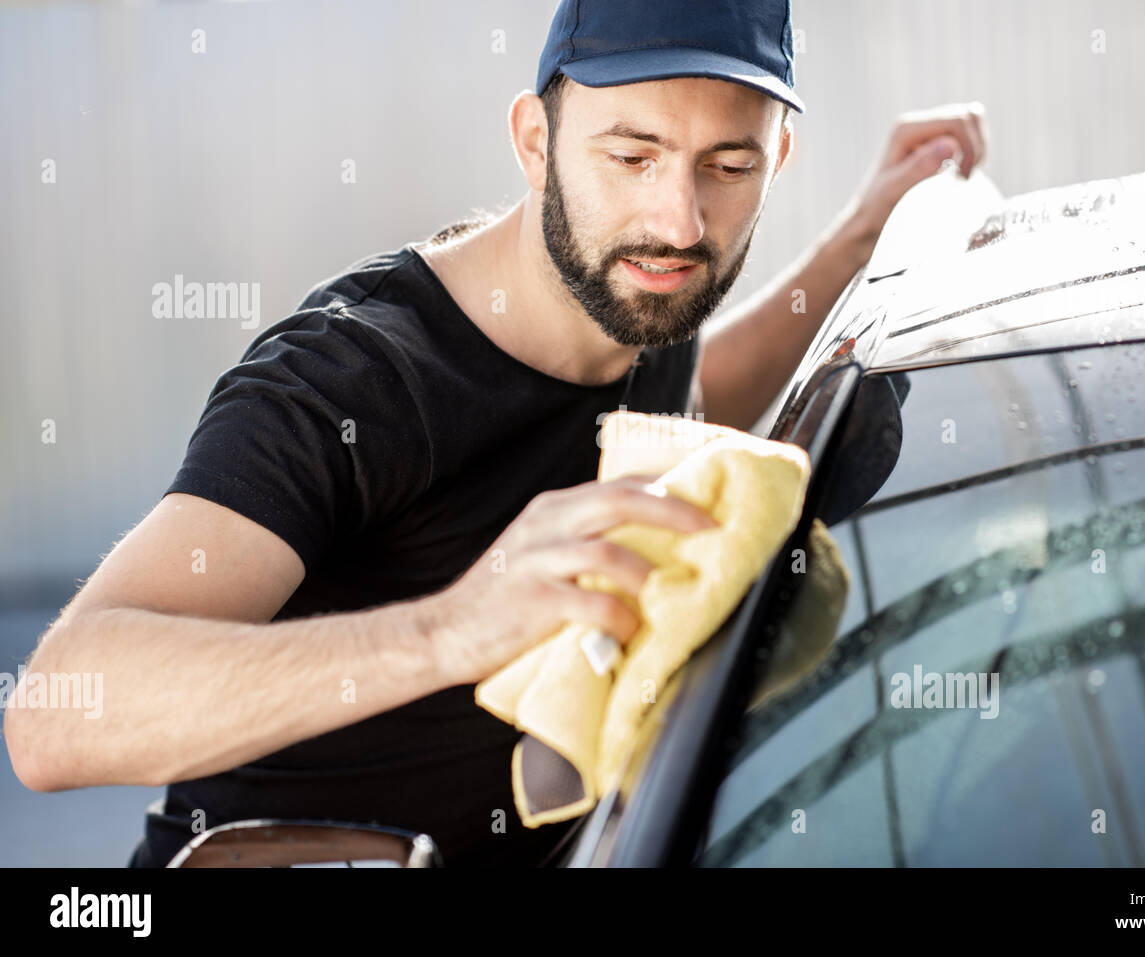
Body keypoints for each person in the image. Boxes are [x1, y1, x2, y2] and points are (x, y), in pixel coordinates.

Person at [4, 0, 986, 867]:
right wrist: (454, 627)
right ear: (533, 140)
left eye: (726, 167)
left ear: (775, 159)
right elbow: (53, 722)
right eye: (630, 156)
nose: (679, 221)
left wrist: (861, 235)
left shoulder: (646, 308)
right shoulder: (350, 383)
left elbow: (688, 404)